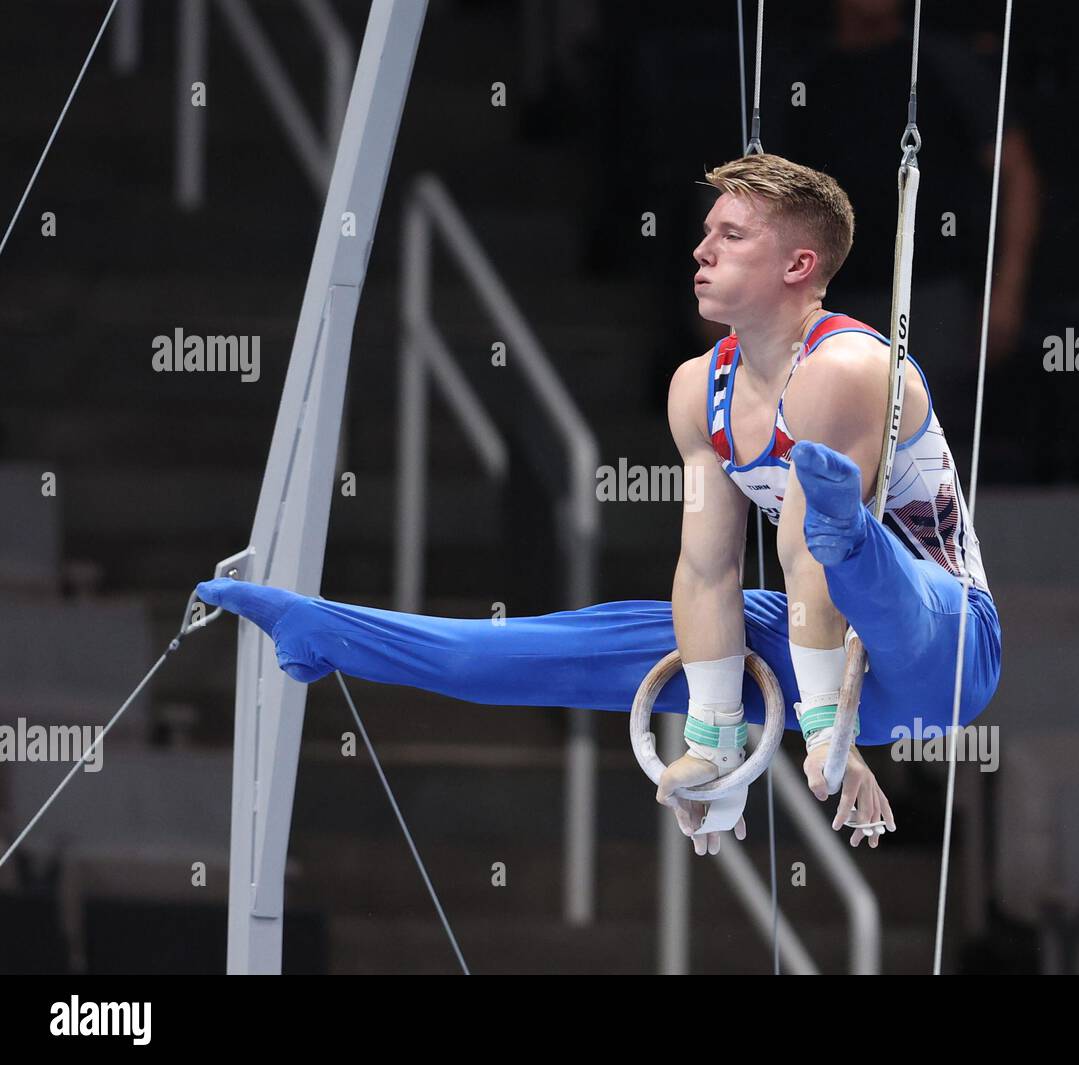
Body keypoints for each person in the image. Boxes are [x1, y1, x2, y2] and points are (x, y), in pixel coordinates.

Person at [196, 153, 1000, 859]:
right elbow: (708, 566)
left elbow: (802, 560)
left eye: (730, 236)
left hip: (941, 641)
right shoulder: (699, 390)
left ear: (798, 264)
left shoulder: (850, 367)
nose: (700, 249)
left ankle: (834, 511)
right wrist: (715, 739)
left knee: (831, 536)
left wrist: (829, 729)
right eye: (706, 232)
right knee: (560, 645)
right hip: (810, 630)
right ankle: (327, 629)